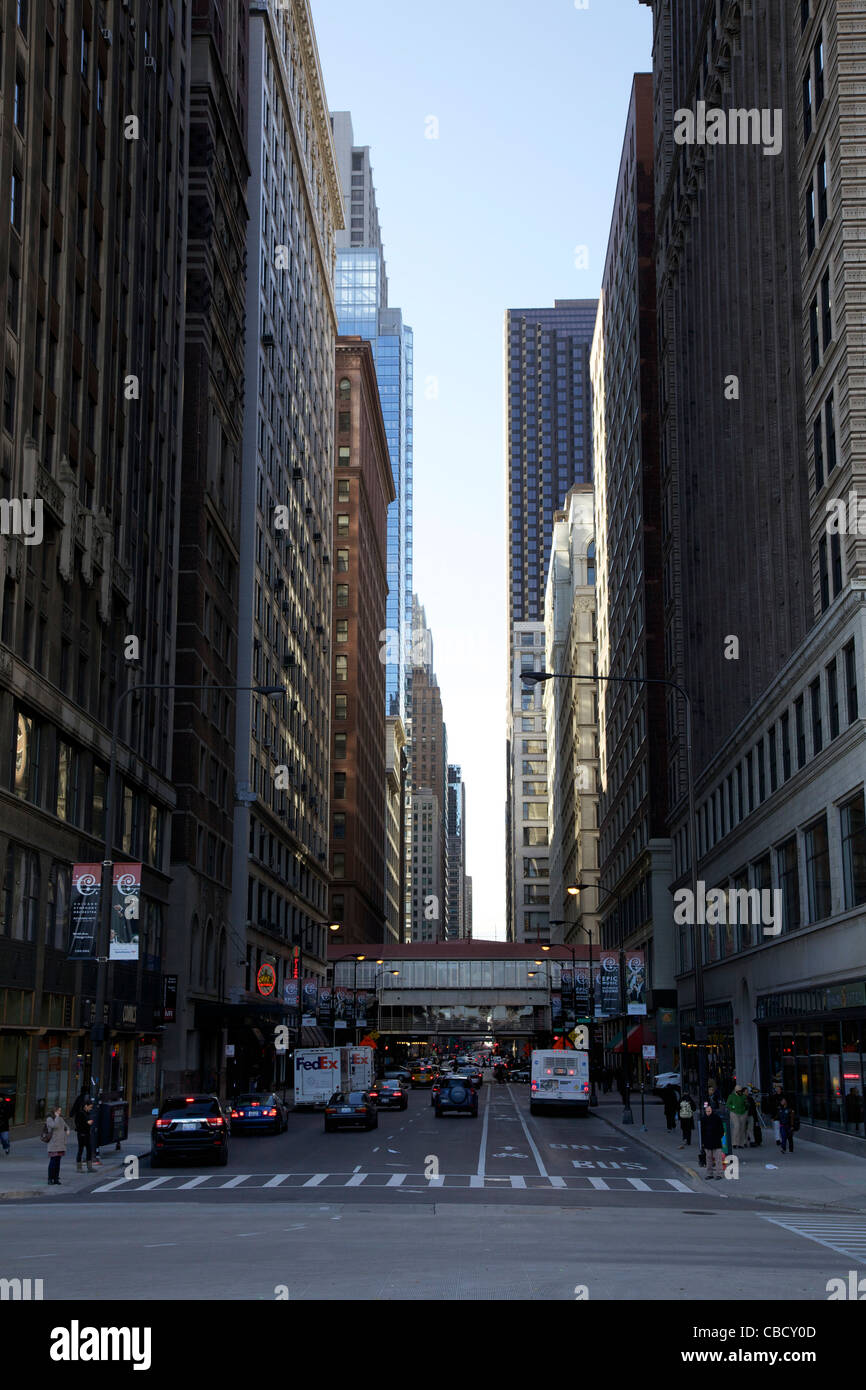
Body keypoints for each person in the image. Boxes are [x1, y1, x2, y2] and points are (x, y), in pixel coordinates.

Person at [700, 1099, 725, 1179]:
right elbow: (702, 1132)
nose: (708, 1112)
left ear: (712, 1110)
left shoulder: (716, 1118)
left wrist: (718, 1137)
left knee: (717, 1159)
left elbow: (721, 1130)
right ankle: (710, 1174)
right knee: (709, 1159)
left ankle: (719, 1174)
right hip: (708, 1141)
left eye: (709, 1111)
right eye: (707, 1111)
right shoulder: (704, 1119)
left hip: (716, 1141)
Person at [45, 1106, 70, 1185]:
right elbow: (54, 1126)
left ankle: (56, 1178)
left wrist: (67, 1130)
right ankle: (50, 1178)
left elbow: (66, 1126)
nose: (60, 1112)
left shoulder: (61, 1118)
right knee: (53, 1161)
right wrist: (57, 1117)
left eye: (60, 1110)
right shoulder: (49, 1119)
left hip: (61, 1143)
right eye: (58, 1110)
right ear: (54, 1111)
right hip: (53, 1143)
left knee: (58, 1162)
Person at [75, 1098, 96, 1172]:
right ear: (85, 1106)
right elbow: (78, 1124)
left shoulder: (87, 1113)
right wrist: (87, 1123)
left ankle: (89, 1167)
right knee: (80, 1150)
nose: (90, 1108)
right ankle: (79, 1167)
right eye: (90, 1107)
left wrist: (88, 1123)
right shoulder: (80, 1113)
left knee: (89, 1150)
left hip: (87, 1133)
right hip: (81, 1134)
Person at [726, 1084, 749, 1148]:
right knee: (737, 1126)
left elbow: (746, 1103)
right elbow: (727, 1104)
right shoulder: (731, 1096)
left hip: (743, 1113)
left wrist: (746, 1105)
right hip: (734, 1113)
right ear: (736, 1091)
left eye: (741, 1091)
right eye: (739, 1091)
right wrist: (733, 1107)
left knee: (742, 1128)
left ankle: (741, 1143)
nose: (740, 1092)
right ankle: (734, 1143)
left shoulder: (743, 1096)